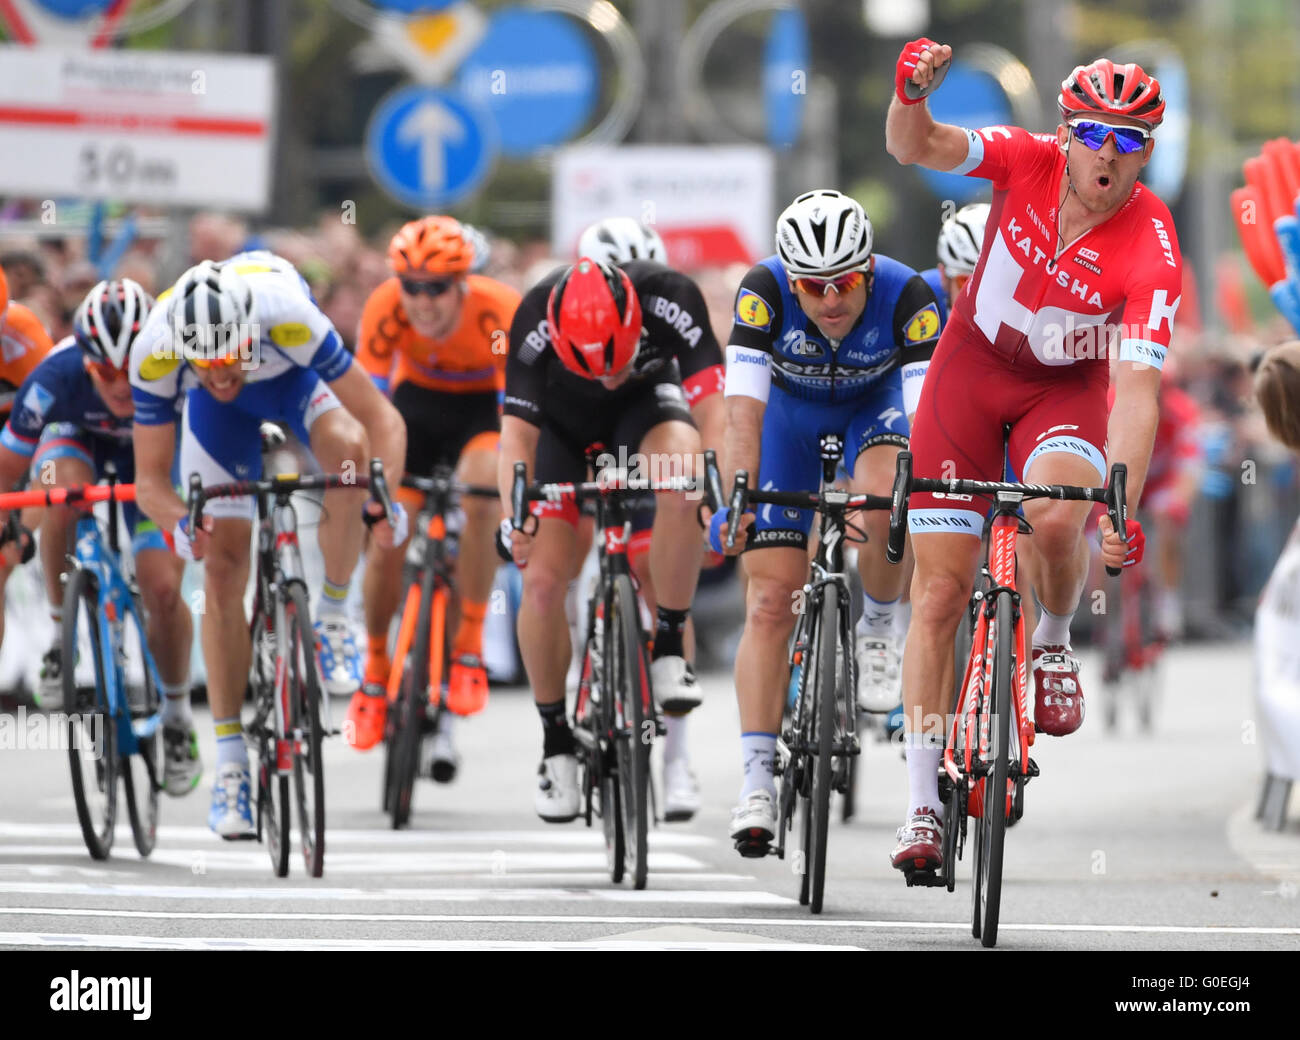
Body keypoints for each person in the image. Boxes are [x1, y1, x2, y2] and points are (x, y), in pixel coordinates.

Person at [885, 40, 1181, 873]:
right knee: (939, 593)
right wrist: (910, 94)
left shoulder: (1154, 246)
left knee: (1058, 514)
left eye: (1127, 141)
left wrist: (1117, 505)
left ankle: (1052, 639)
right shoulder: (1027, 160)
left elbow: (1139, 388)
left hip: (1068, 388)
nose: (1106, 154)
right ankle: (918, 805)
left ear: (1146, 152)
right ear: (1067, 131)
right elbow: (918, 147)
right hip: (970, 373)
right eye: (1093, 132)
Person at [129, 251, 407, 839]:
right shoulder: (154, 353)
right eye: (208, 365)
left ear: (249, 332)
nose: (224, 375)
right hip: (213, 426)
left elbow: (382, 419)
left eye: (232, 359)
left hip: (291, 384)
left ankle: (333, 613)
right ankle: (230, 766)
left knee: (349, 454)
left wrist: (384, 497)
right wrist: (183, 520)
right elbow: (150, 480)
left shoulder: (289, 316)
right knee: (225, 572)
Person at [709, 189, 942, 851]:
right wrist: (740, 495)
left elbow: (924, 420)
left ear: (868, 272)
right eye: (813, 287)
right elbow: (742, 414)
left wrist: (923, 499)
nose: (831, 300)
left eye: (844, 284)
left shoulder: (908, 298)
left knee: (887, 493)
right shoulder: (761, 293)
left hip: (878, 412)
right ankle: (757, 779)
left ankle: (874, 628)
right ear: (792, 281)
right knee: (769, 602)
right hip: (789, 422)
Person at [498, 256, 724, 822]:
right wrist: (515, 518)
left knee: (685, 476)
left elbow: (714, 413)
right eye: (590, 366)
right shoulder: (532, 318)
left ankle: (668, 642)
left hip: (646, 410)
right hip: (561, 430)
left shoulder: (672, 296)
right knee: (545, 583)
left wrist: (718, 494)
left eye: (615, 360)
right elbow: (516, 442)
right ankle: (555, 742)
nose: (605, 375)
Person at [0, 280, 203, 794]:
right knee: (61, 490)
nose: (118, 383)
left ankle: (177, 715)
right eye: (104, 371)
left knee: (161, 587)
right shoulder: (54, 375)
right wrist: (10, 531)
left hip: (154, 458)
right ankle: (57, 629)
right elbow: (8, 470)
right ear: (85, 360)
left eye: (129, 369)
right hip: (79, 442)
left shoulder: (179, 364)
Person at [349, 216, 519, 781]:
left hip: (481, 411)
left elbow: (516, 413)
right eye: (412, 285)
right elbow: (370, 408)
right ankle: (375, 668)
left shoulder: (498, 310)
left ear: (464, 283)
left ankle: (468, 640)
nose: (422, 301)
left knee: (480, 494)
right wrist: (373, 485)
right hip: (414, 409)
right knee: (390, 526)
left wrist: (515, 483)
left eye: (437, 287)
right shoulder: (385, 307)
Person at [565, 217, 719, 820]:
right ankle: (587, 673)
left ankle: (678, 757)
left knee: (658, 572)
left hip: (650, 419)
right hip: (580, 427)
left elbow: (708, 396)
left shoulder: (670, 303)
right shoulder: (563, 313)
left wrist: (709, 482)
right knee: (570, 556)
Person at [924, 202, 991, 325]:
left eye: (991, 284)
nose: (979, 297)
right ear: (944, 277)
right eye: (965, 282)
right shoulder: (918, 303)